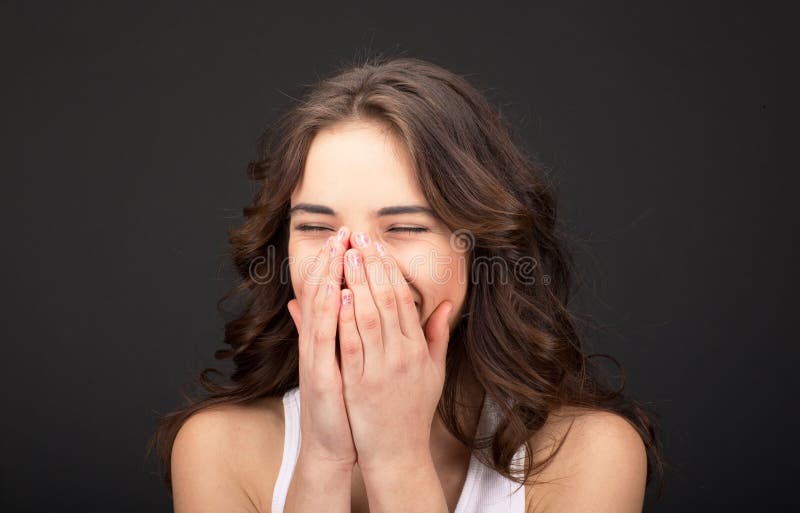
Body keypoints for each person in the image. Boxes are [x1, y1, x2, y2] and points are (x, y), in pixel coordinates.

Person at [147, 55, 665, 513]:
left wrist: (396, 456)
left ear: (480, 246)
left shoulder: (588, 454)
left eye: (405, 228)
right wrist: (325, 458)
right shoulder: (218, 449)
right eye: (316, 227)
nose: (351, 263)